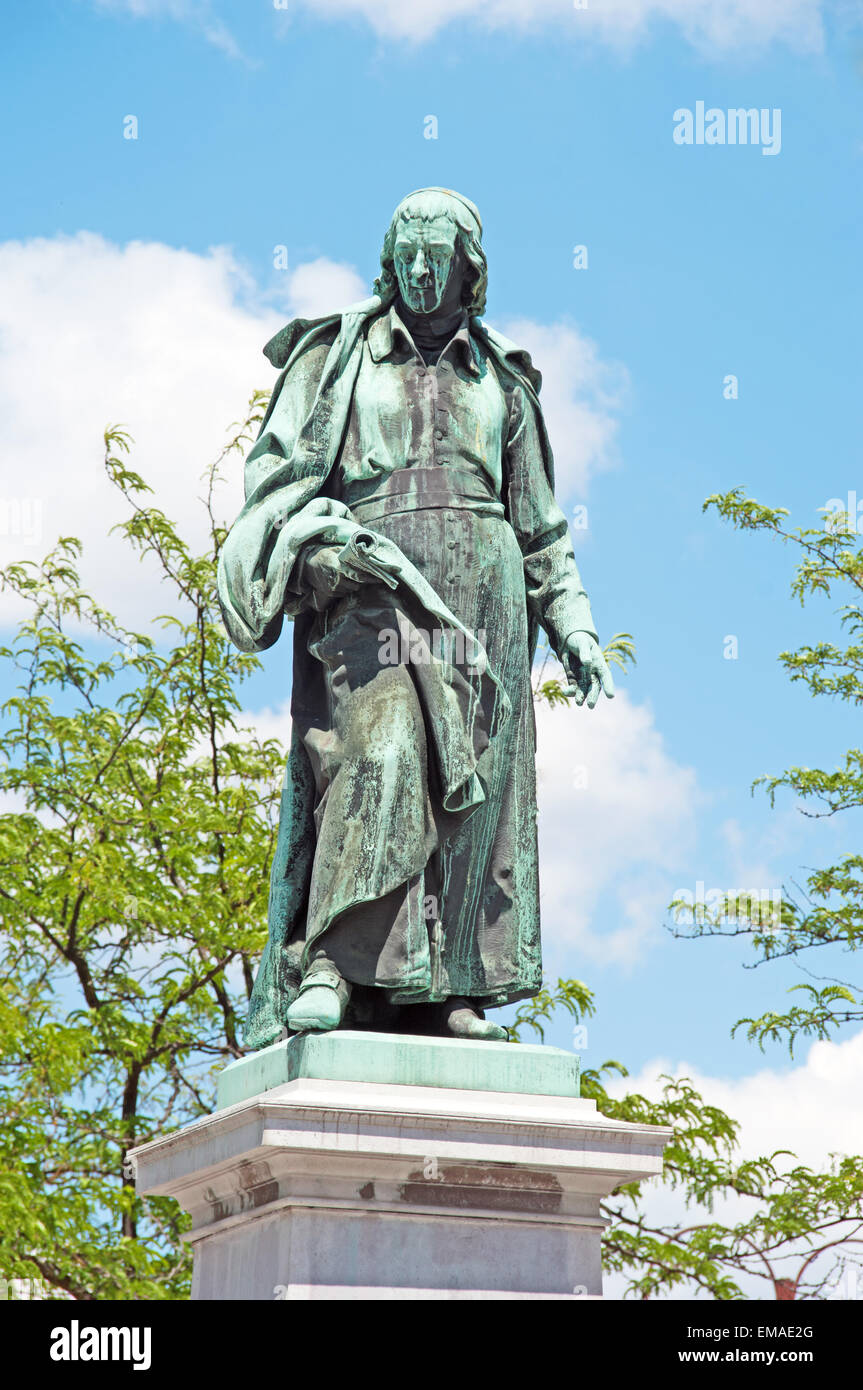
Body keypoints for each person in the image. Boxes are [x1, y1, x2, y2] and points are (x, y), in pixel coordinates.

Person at [217, 187, 614, 1047]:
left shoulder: (503, 380)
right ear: (389, 261)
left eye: (439, 256)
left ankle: (448, 988)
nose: (423, 271)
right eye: (408, 256)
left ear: (471, 269)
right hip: (372, 586)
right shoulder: (335, 360)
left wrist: (573, 625)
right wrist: (313, 555)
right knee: (380, 750)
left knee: (476, 797)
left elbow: (540, 526)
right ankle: (333, 964)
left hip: (486, 595)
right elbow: (273, 487)